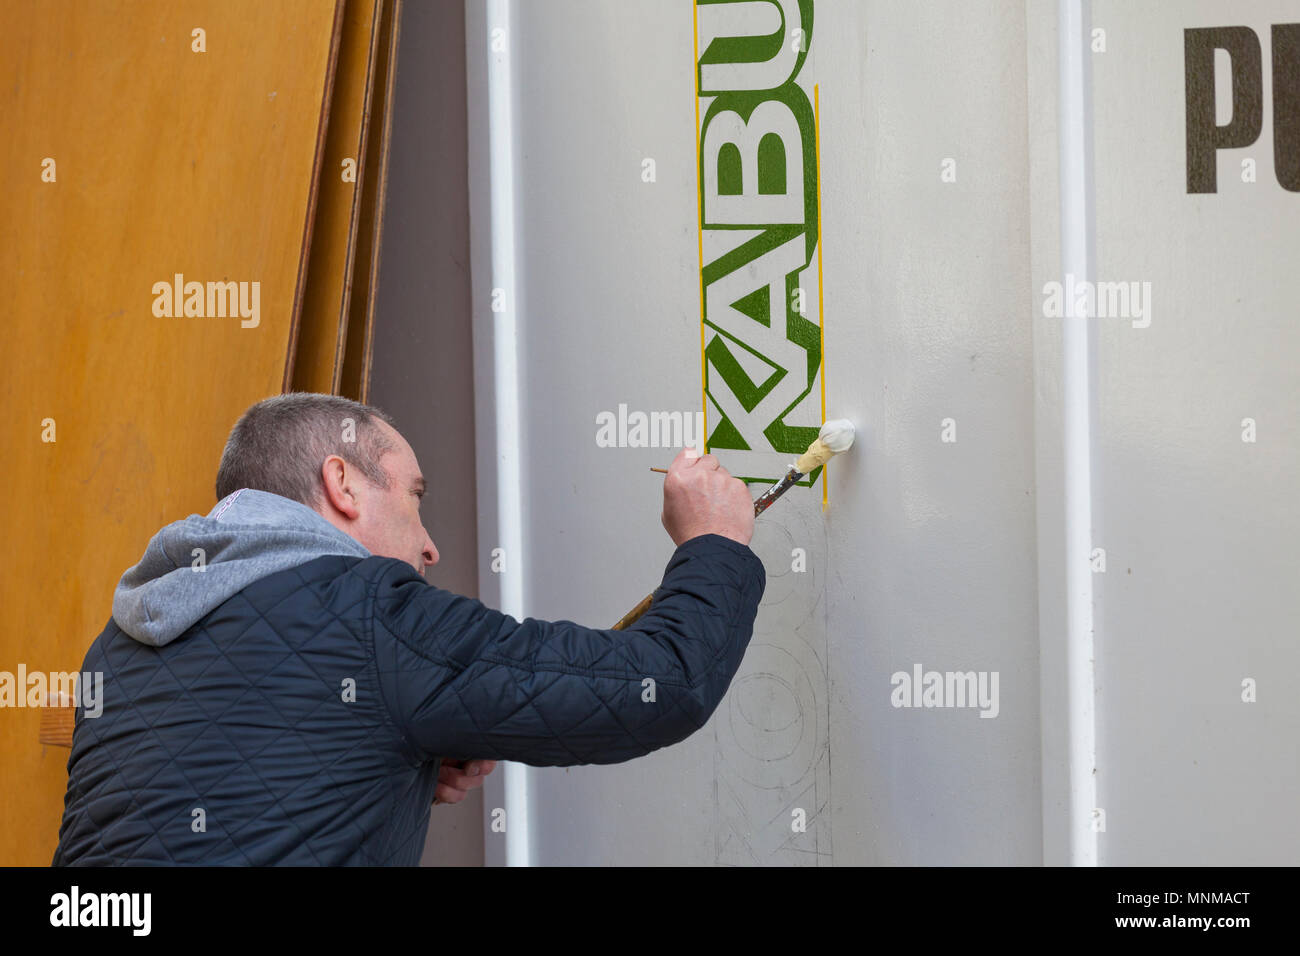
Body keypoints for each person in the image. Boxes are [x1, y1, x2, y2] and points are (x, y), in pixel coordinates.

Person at [53, 392, 764, 865]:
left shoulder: (119, 647)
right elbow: (660, 685)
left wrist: (382, 768)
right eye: (414, 497)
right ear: (343, 484)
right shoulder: (370, 616)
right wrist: (715, 544)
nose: (430, 547)